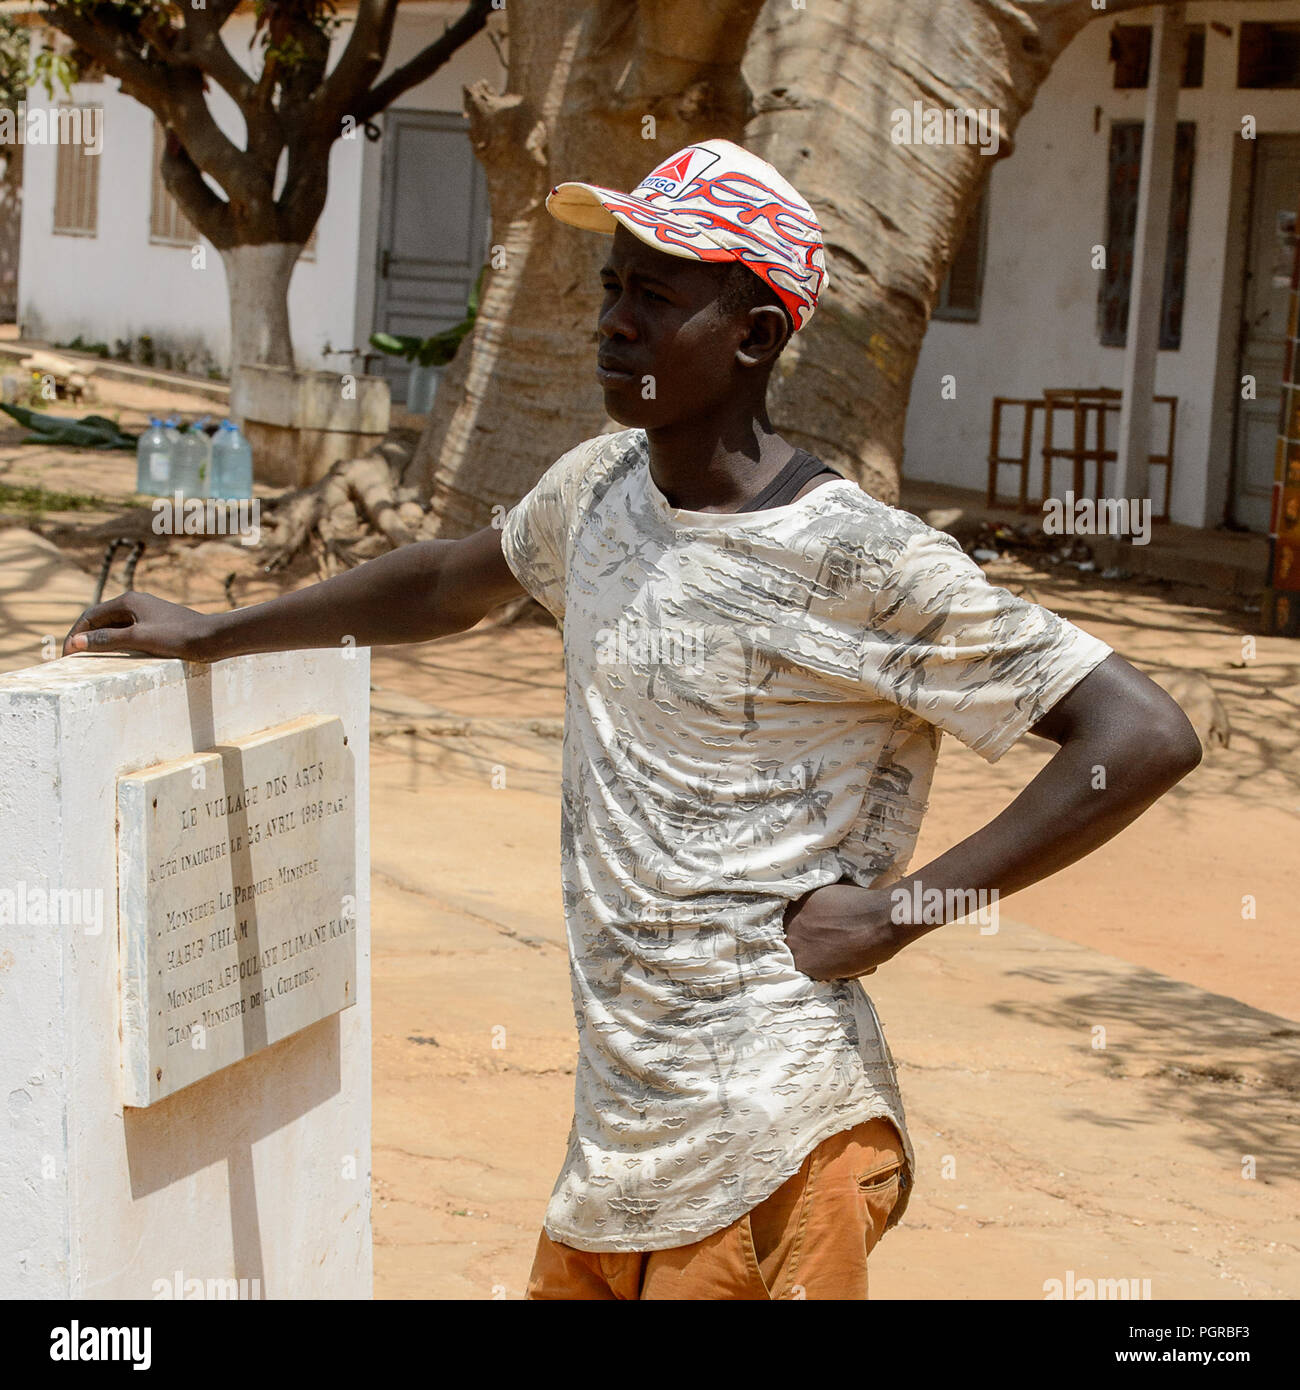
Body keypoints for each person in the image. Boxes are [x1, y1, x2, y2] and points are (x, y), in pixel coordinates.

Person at [64, 138, 1202, 1302]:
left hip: (776, 1141)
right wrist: (216, 632)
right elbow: (450, 581)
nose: (610, 321)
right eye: (611, 286)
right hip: (619, 1152)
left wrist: (902, 914)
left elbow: (1141, 735)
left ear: (754, 336)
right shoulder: (599, 487)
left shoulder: (858, 558)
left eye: (653, 297)